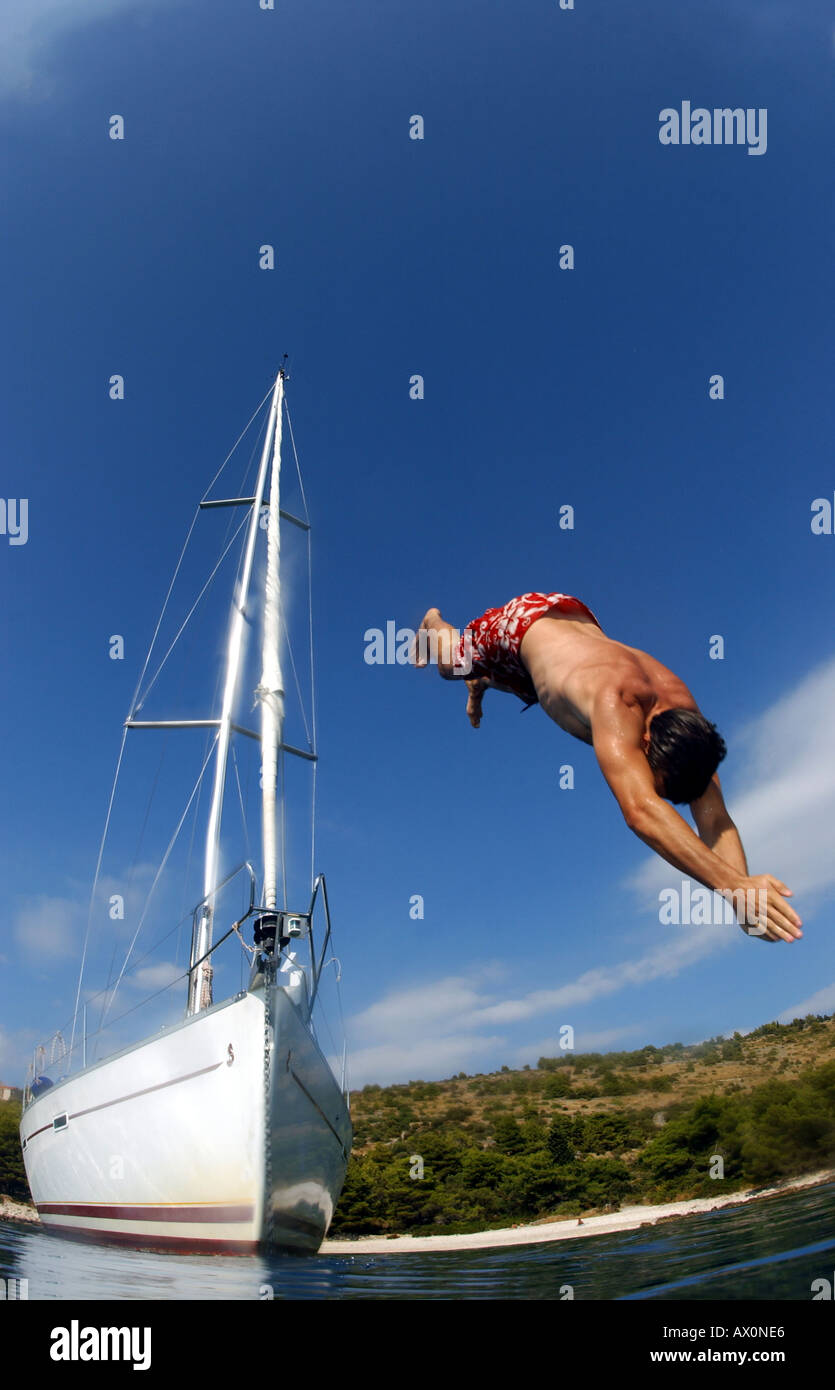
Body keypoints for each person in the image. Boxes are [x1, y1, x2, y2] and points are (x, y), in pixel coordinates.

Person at [414, 592, 802, 945]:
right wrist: (732, 887)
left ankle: (481, 681)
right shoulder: (616, 701)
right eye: (657, 781)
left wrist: (747, 899)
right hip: (520, 624)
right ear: (644, 743)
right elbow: (641, 811)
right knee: (452, 663)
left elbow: (715, 819)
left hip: (569, 621)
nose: (652, 787)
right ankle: (436, 624)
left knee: (531, 685)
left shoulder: (687, 723)